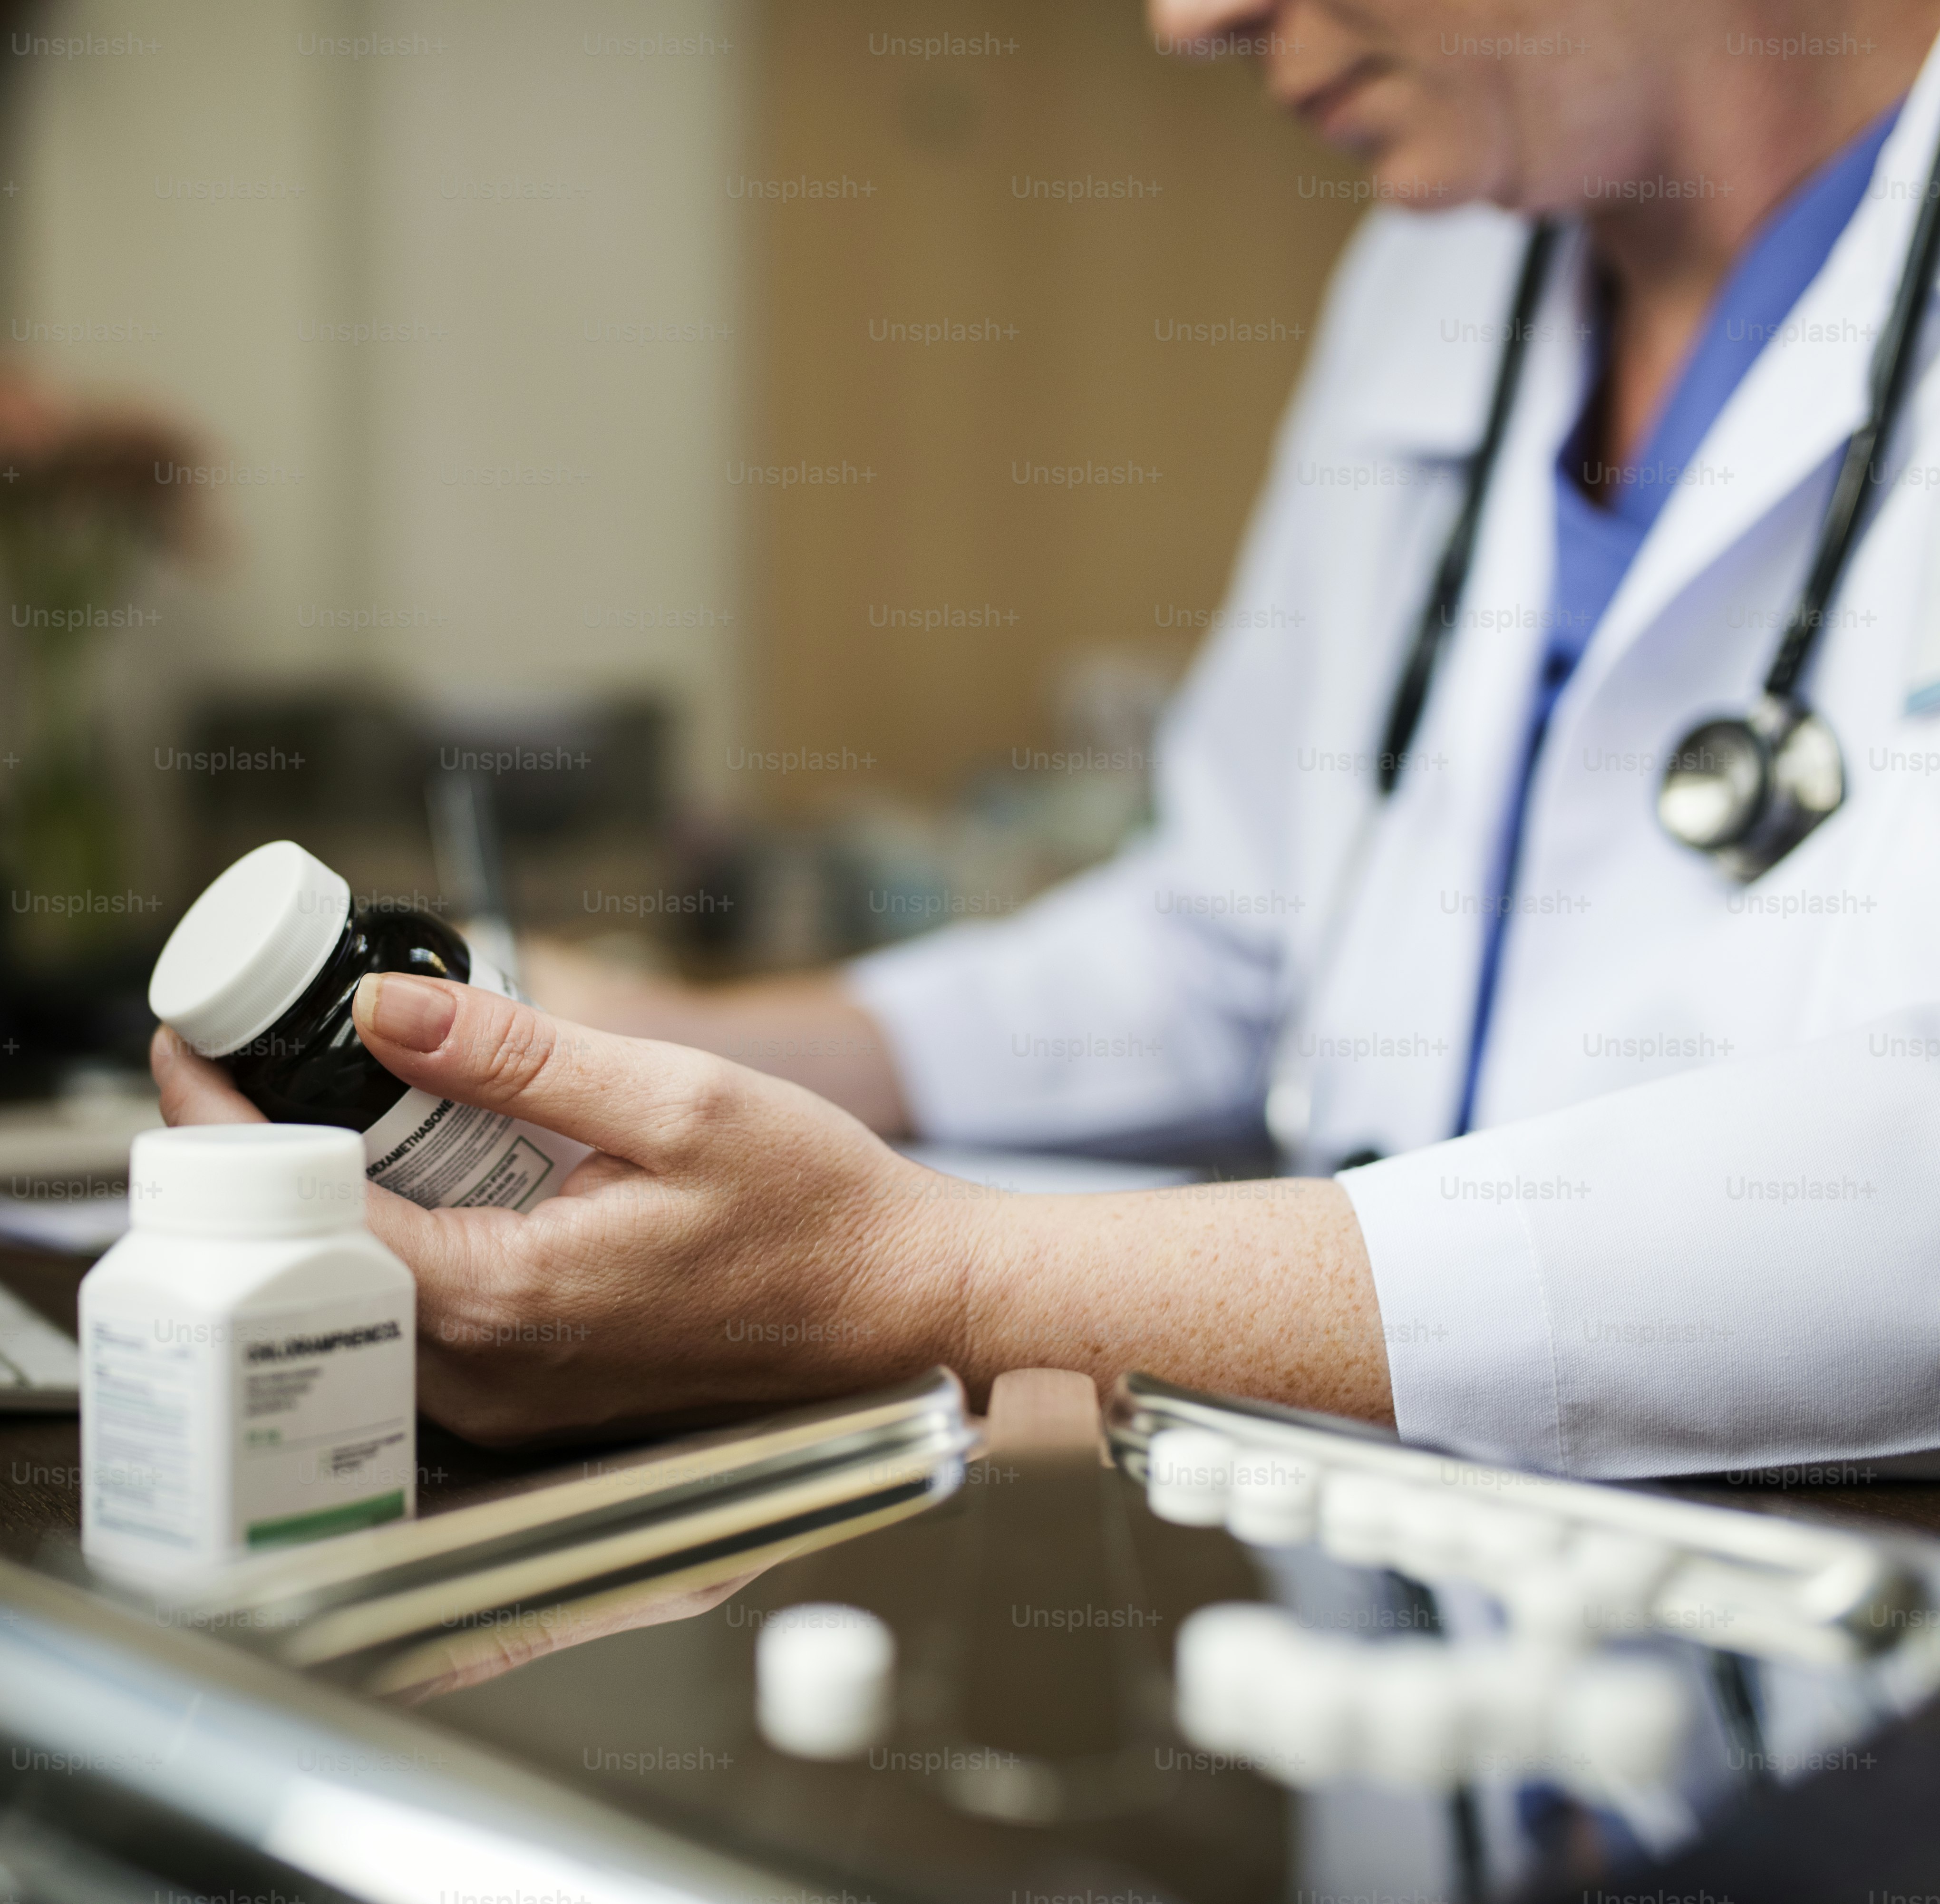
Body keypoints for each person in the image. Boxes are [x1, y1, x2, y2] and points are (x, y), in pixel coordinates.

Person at [159, 0, 1940, 1480]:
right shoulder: (1449, 272)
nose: (1194, 21)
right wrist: (700, 1051)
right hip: (1421, 1574)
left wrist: (935, 1281)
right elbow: (1240, 934)